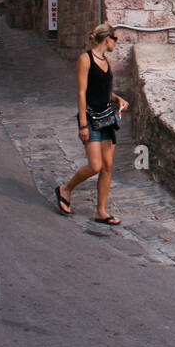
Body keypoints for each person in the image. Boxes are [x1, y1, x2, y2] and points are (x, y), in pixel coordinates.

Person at [55, 23, 129, 225]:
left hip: (108, 119)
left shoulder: (106, 61)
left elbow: (104, 91)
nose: (116, 43)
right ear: (107, 39)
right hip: (91, 118)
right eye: (115, 38)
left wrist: (117, 98)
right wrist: (82, 125)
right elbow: (82, 92)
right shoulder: (85, 59)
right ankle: (66, 189)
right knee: (95, 165)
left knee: (107, 166)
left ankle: (101, 211)